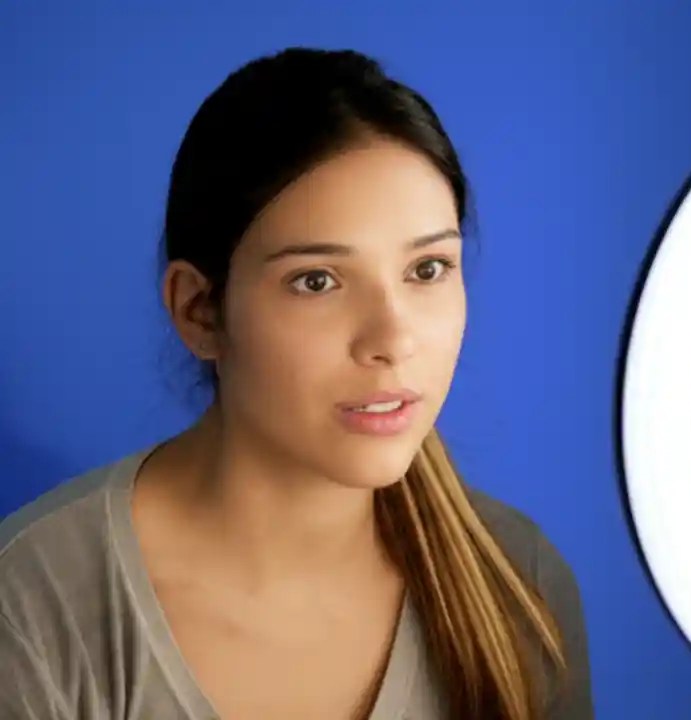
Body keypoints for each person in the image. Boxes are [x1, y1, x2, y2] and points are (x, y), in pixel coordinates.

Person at [0, 47, 593, 720]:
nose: (393, 341)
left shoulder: (519, 581)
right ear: (200, 311)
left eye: (428, 270)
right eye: (317, 282)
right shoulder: (31, 611)